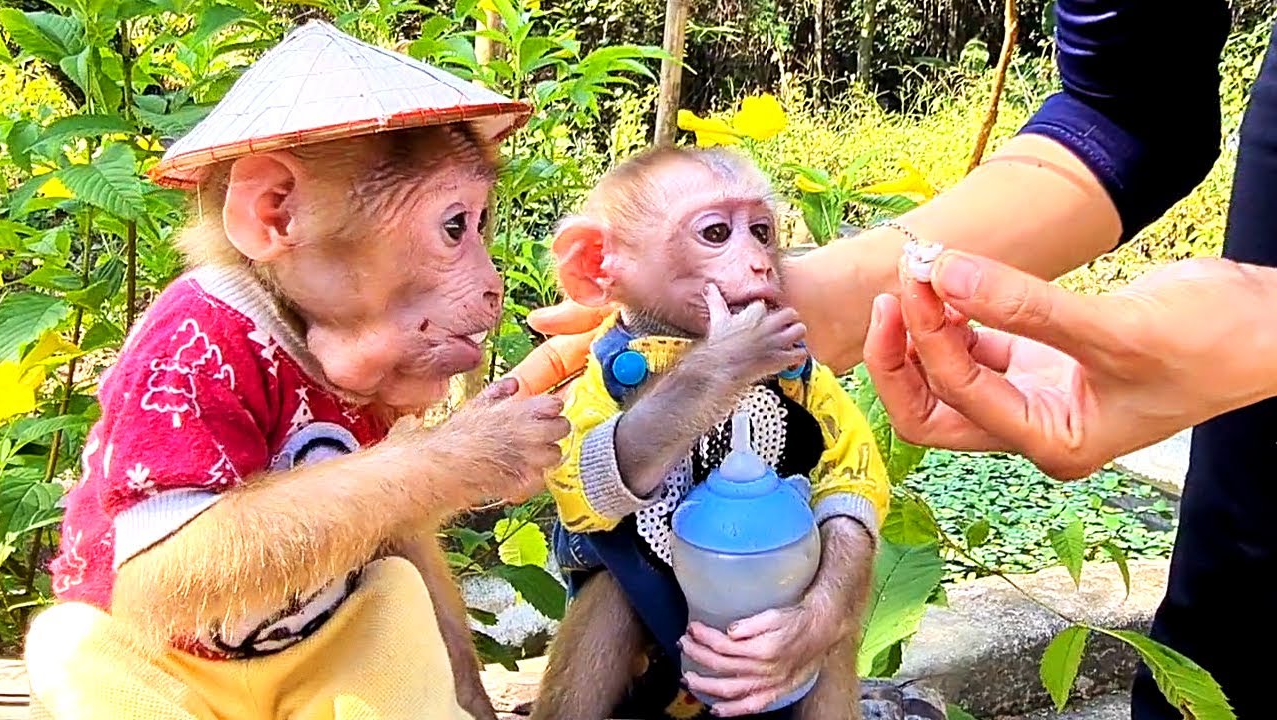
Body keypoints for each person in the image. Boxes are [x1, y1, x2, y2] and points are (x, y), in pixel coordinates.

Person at [510, 1, 1277, 716]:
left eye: (763, 233)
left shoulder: (794, 381)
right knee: (1241, 574)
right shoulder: (628, 373)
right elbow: (1128, 104)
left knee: (834, 620)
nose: (759, 262)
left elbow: (851, 488)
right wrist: (821, 310)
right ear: (595, 265)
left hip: (779, 586)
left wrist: (824, 611)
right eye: (716, 234)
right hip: (652, 589)